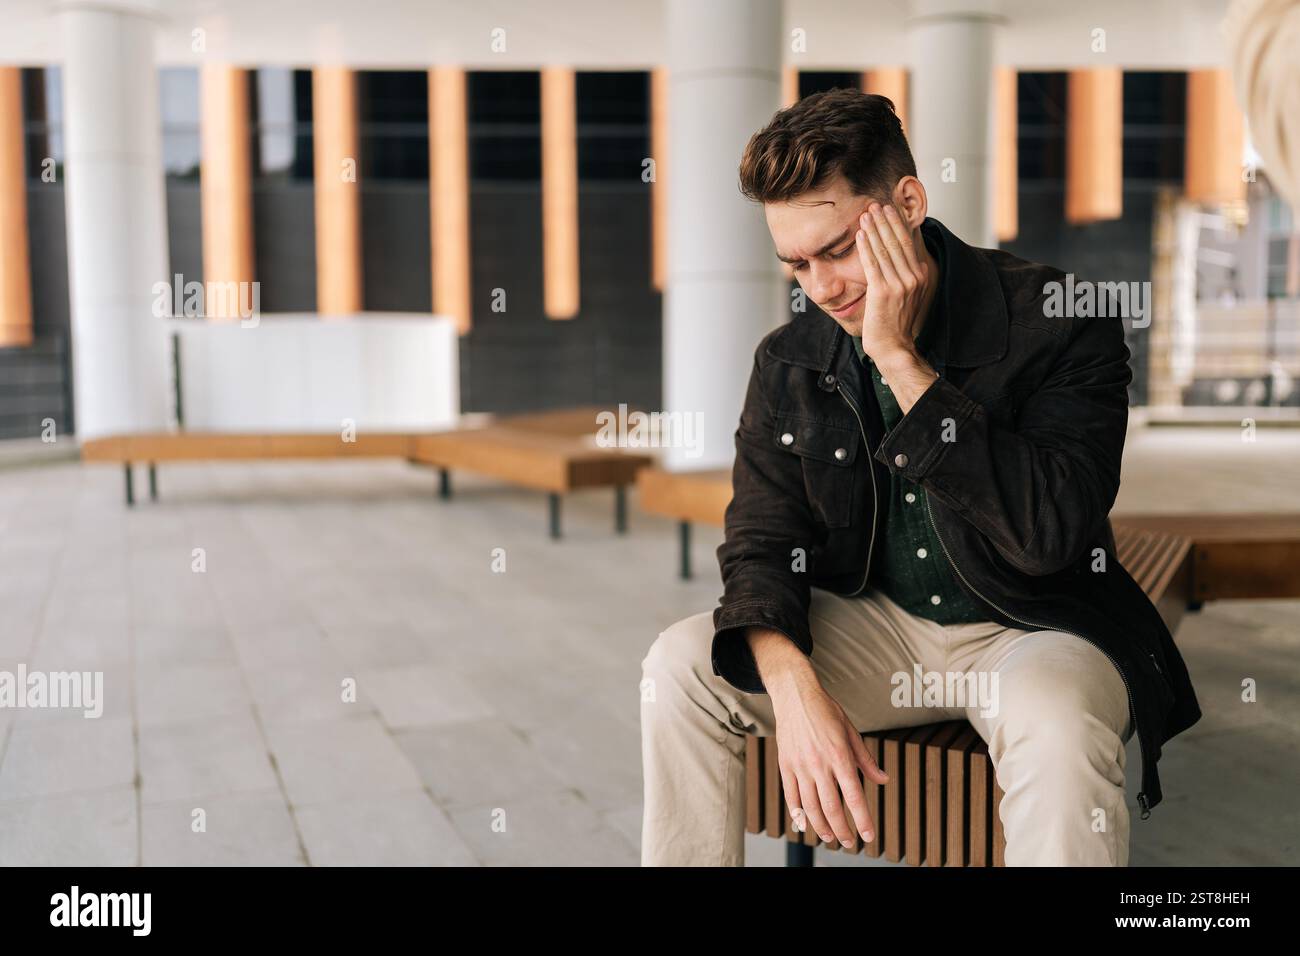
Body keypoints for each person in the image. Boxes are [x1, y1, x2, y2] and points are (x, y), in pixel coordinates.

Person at [639, 88, 1200, 867]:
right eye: (797, 263)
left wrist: (904, 366)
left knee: (1061, 728)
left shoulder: (1062, 319)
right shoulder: (789, 357)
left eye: (837, 250)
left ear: (906, 203)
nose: (823, 287)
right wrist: (795, 690)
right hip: (879, 627)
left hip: (1034, 627)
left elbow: (1050, 535)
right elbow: (760, 542)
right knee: (679, 665)